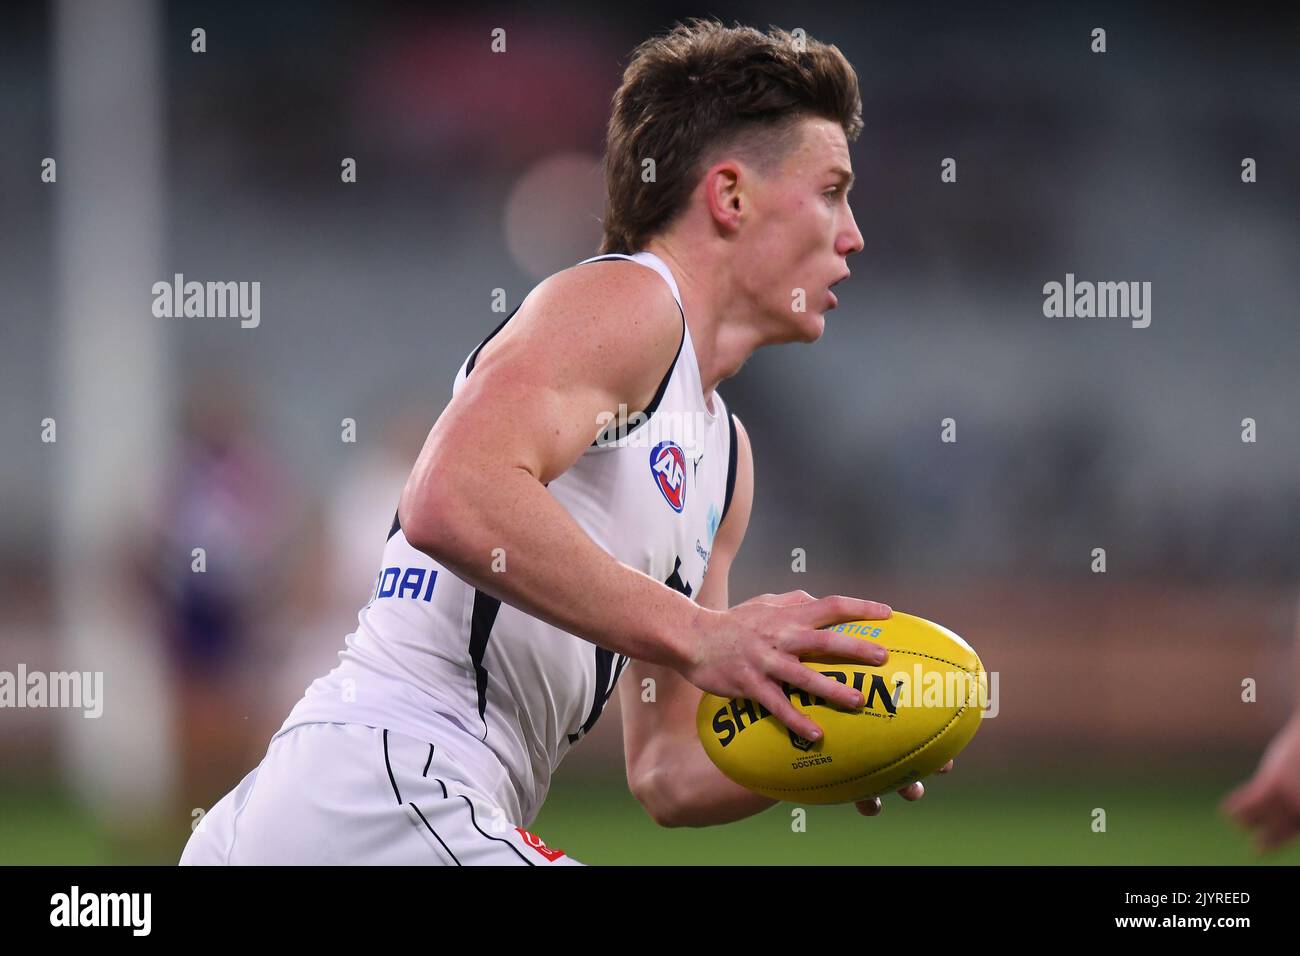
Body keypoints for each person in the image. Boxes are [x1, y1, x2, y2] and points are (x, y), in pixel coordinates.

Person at [181, 18, 951, 867]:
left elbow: (667, 770)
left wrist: (820, 750)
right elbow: (449, 496)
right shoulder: (630, 301)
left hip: (367, 802)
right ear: (730, 196)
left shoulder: (726, 460)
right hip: (386, 781)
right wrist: (702, 632)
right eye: (832, 190)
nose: (854, 235)